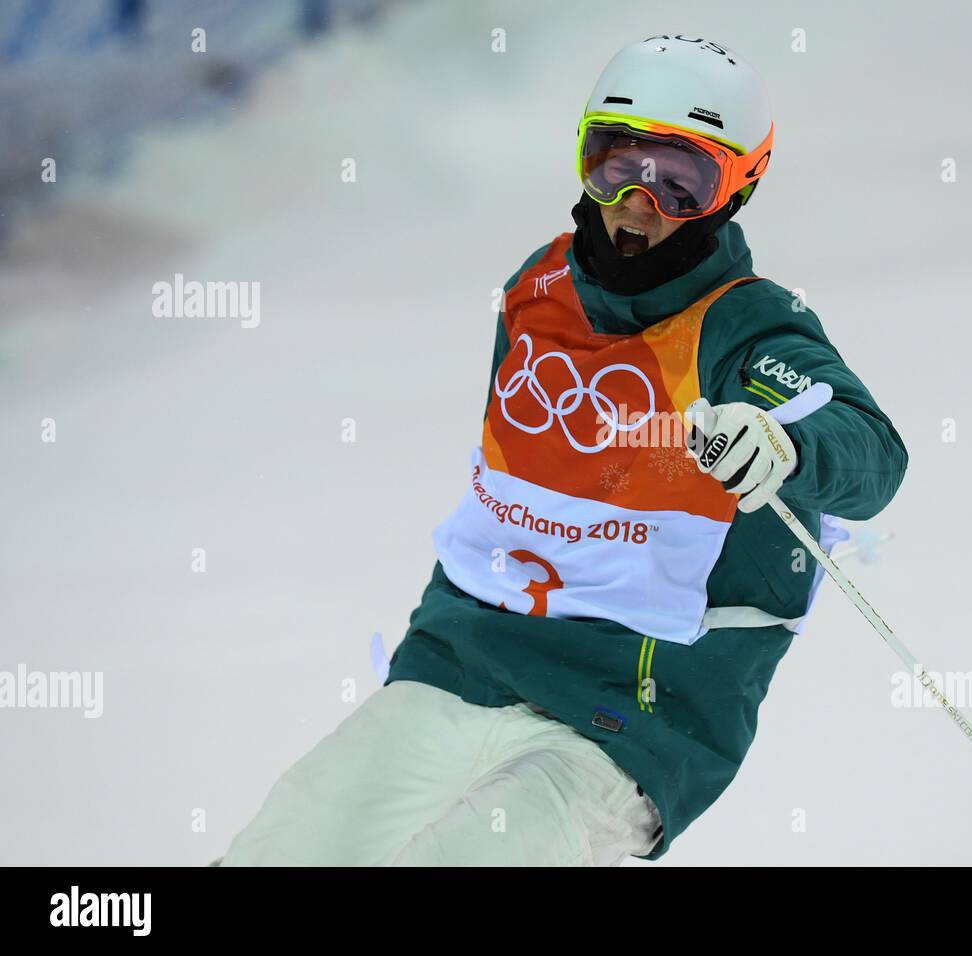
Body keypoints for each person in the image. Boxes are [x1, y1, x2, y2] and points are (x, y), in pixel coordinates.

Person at [218, 33, 907, 867]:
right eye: (616, 164)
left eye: (681, 181)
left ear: (738, 186)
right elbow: (512, 493)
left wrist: (784, 443)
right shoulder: (537, 285)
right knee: (287, 846)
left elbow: (872, 451)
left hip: (630, 712)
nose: (639, 202)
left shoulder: (745, 323)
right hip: (463, 663)